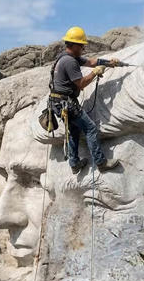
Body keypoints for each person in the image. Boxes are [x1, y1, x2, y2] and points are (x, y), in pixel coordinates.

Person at [49, 26, 120, 174]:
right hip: (66, 104)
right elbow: (81, 84)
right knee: (90, 128)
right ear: (74, 45)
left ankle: (74, 164)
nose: (83, 48)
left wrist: (107, 63)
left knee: (73, 131)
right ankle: (101, 162)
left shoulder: (67, 57)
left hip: (58, 103)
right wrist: (95, 73)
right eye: (81, 45)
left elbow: (91, 62)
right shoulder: (70, 62)